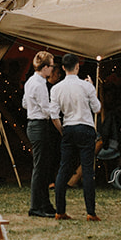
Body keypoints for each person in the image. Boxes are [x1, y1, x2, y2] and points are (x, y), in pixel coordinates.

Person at [51, 53, 102, 221]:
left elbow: (53, 114)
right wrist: (93, 88)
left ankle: (60, 210)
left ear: (63, 68)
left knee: (64, 168)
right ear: (78, 66)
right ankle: (90, 212)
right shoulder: (86, 87)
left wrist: (62, 130)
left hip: (68, 128)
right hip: (85, 127)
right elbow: (97, 108)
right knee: (87, 170)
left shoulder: (56, 88)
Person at [24, 51, 61, 218]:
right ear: (45, 67)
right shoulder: (40, 85)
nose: (53, 70)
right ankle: (35, 206)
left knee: (44, 166)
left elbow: (24, 103)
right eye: (52, 66)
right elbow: (47, 109)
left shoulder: (31, 81)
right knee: (40, 167)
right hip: (39, 124)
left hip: (34, 124)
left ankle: (45, 204)